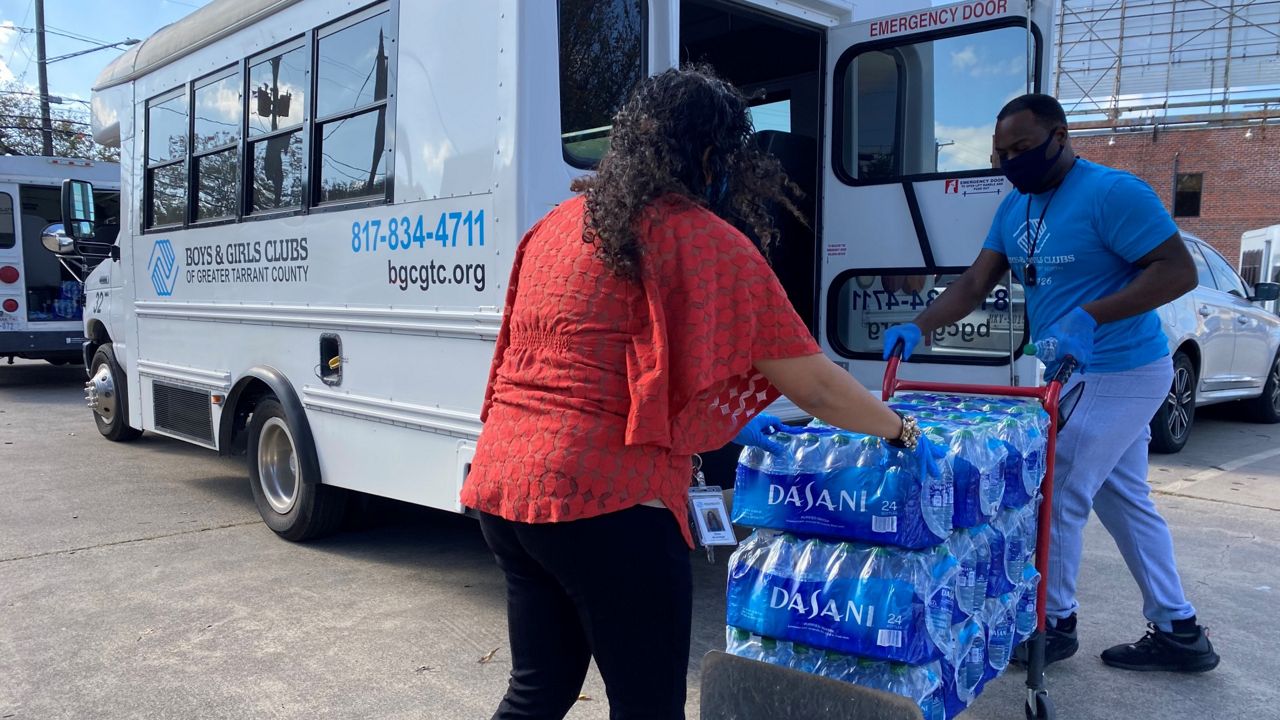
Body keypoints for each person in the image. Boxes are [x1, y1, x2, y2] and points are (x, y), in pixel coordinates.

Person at [460, 66, 936, 720]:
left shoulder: (556, 226)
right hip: (607, 500)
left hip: (505, 486)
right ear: (713, 155)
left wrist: (729, 424)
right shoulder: (701, 238)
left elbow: (596, 358)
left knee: (539, 688)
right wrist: (901, 431)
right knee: (649, 707)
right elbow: (817, 385)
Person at [883, 93, 1219, 673]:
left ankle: (1052, 623)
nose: (1011, 161)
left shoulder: (1112, 193)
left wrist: (1092, 315)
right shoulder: (1015, 207)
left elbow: (1178, 271)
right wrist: (919, 326)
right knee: (1124, 499)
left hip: (1121, 366)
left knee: (1058, 488)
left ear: (1059, 137)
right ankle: (1179, 629)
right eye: (1002, 153)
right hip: (1072, 370)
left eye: (1022, 147)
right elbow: (975, 283)